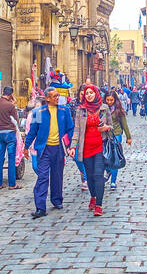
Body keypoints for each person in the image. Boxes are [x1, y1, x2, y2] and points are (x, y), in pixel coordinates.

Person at [23, 87, 73, 218]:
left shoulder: (64, 110)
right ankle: (40, 207)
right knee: (43, 176)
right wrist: (26, 146)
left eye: (57, 96)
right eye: (54, 96)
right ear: (47, 98)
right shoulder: (39, 112)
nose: (57, 98)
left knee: (57, 176)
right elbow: (33, 130)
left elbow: (70, 128)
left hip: (58, 148)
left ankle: (57, 200)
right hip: (44, 149)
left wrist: (71, 145)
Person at [71, 83, 112, 216]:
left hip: (100, 146)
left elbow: (111, 126)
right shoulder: (80, 110)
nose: (89, 95)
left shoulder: (104, 108)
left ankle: (99, 205)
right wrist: (72, 146)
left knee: (98, 175)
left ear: (96, 93)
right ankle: (93, 196)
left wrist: (106, 128)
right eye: (87, 93)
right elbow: (77, 130)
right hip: (86, 147)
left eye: (91, 93)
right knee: (90, 176)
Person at [0, 86, 21, 189]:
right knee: (11, 158)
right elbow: (17, 121)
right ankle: (12, 184)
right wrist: (14, 104)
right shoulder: (10, 106)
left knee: (0, 158)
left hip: (0, 133)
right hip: (10, 133)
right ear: (11, 95)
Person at [105, 90, 132, 189]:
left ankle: (113, 181)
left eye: (111, 100)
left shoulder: (119, 110)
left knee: (115, 158)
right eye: (107, 100)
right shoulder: (103, 109)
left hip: (116, 134)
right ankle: (108, 171)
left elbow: (124, 124)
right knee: (106, 156)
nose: (109, 102)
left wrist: (128, 137)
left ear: (115, 100)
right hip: (105, 135)